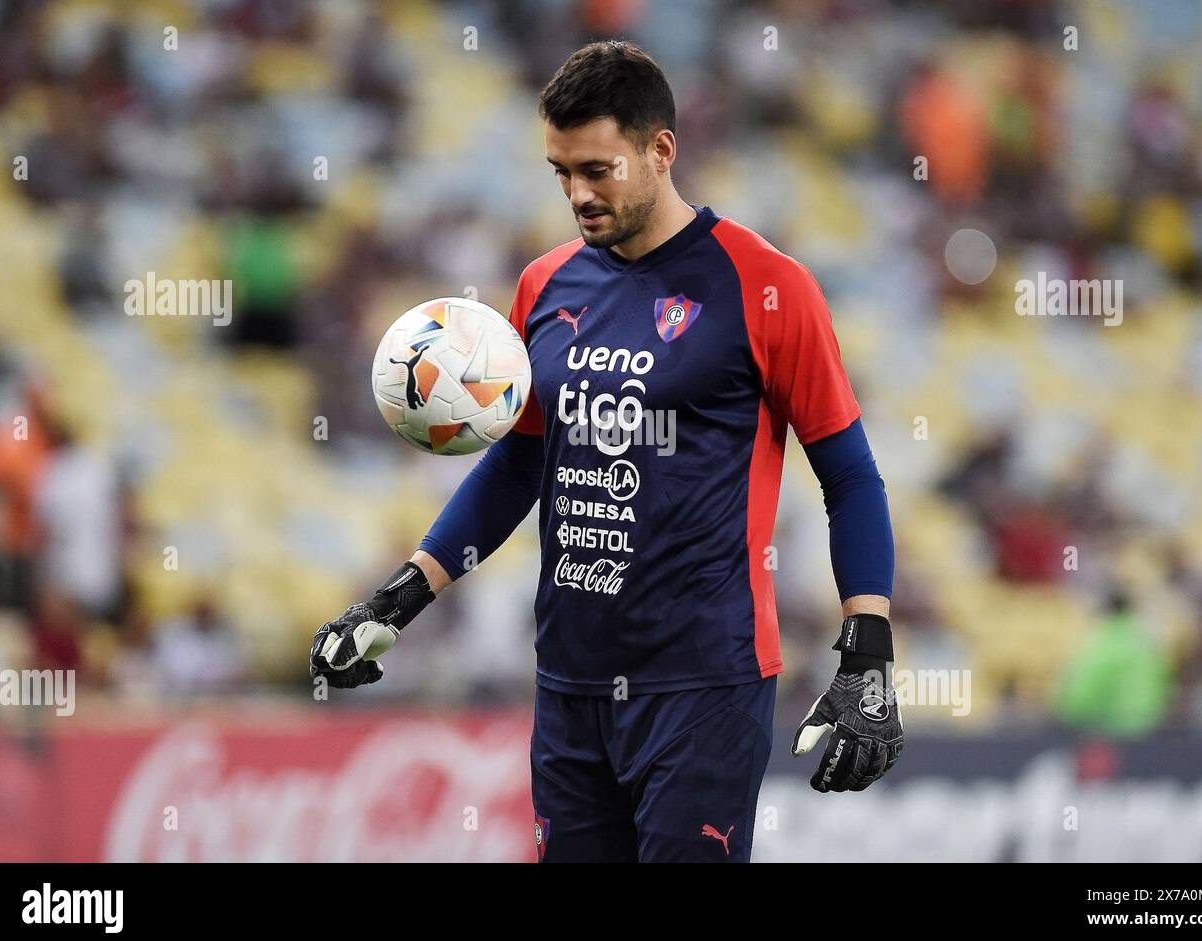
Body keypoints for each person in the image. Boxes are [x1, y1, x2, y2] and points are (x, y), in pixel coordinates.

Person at [311, 40, 901, 863]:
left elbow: (850, 475)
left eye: (597, 169)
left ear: (661, 150)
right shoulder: (544, 286)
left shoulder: (766, 286)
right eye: (560, 172)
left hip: (705, 685)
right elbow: (520, 463)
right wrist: (400, 597)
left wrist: (866, 647)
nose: (576, 194)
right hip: (571, 683)